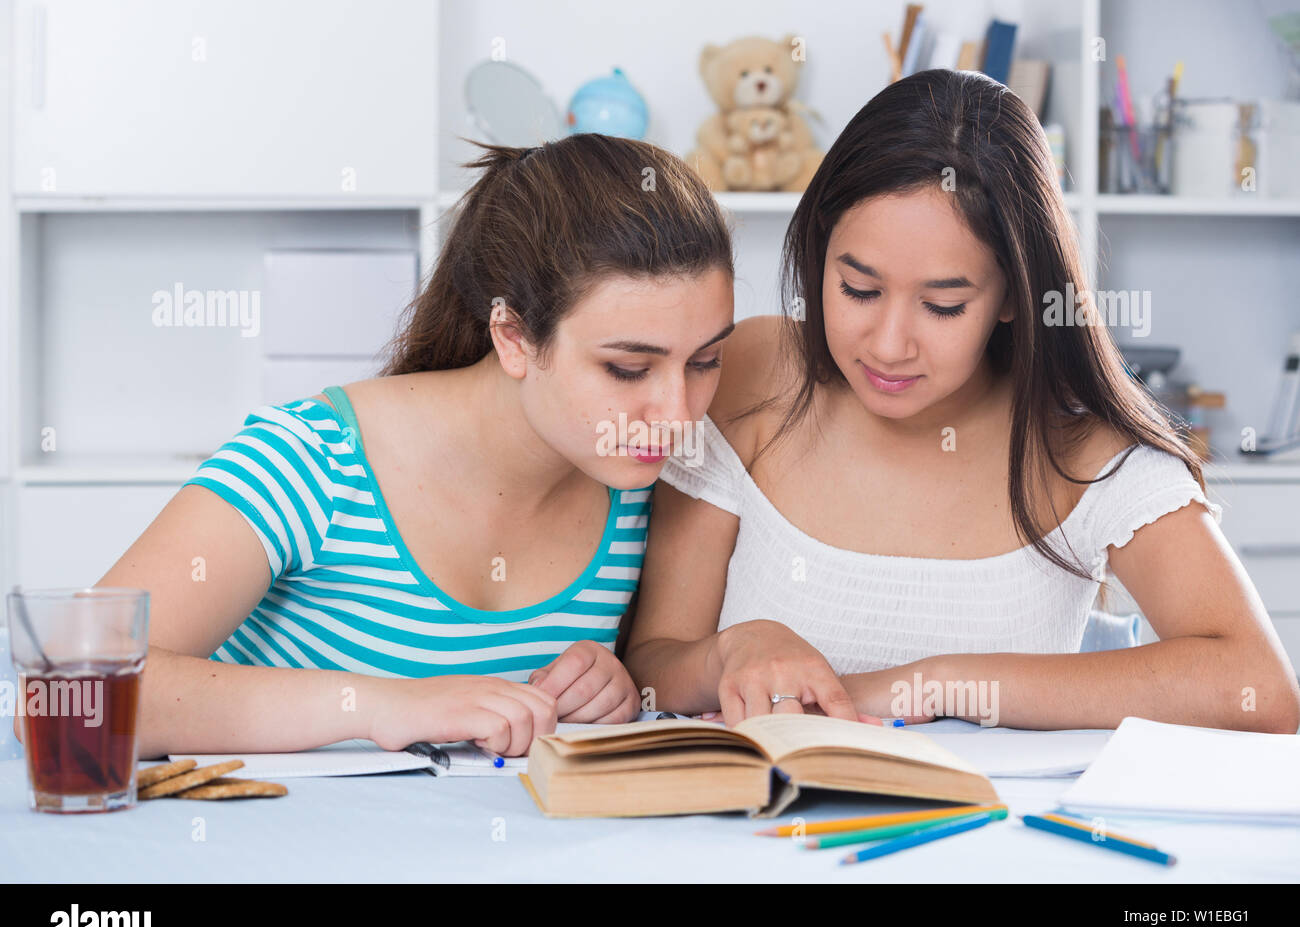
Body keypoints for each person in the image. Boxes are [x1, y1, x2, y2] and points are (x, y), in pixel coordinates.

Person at [623, 69, 1300, 734]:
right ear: (821, 246)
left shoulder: (1082, 451)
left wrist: (936, 684)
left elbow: (1259, 688)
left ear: (1012, 294)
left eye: (943, 305)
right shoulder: (745, 374)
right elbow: (652, 665)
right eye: (859, 289)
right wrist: (734, 650)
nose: (889, 346)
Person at [80, 134, 735, 758]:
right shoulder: (313, 461)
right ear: (511, 335)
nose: (678, 415)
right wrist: (377, 706)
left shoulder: (635, 484)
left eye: (705, 361)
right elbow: (73, 693)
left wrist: (610, 688)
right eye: (627, 368)